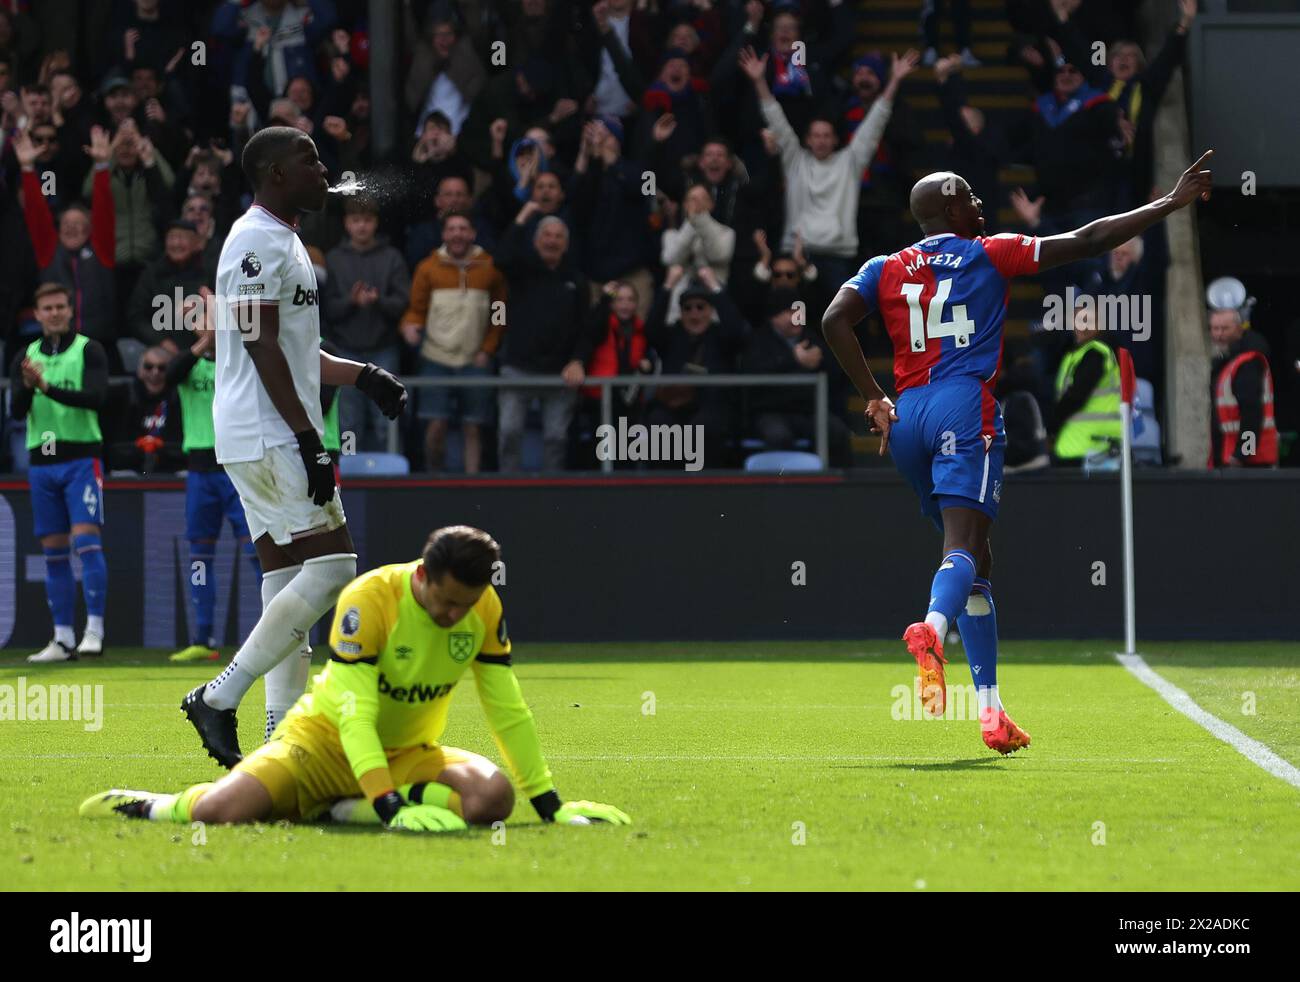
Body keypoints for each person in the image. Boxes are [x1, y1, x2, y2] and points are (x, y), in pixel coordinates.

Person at [821, 150, 1214, 754]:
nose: (981, 204)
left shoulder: (884, 265)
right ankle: (931, 629)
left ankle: (989, 711)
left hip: (907, 417)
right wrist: (1167, 203)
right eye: (972, 197)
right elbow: (1085, 240)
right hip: (962, 407)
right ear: (951, 205)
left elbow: (832, 320)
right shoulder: (989, 251)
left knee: (976, 559)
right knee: (963, 547)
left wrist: (873, 397)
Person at [81, 526, 631, 832]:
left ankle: (349, 809)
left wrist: (549, 802)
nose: (453, 617)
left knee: (493, 798)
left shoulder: (482, 607)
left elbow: (506, 707)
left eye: (465, 606)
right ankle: (150, 804)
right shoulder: (369, 599)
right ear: (422, 576)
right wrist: (391, 806)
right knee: (219, 813)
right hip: (317, 747)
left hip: (407, 751)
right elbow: (354, 714)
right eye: (444, 604)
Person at [181, 127, 408, 769]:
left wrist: (362, 374)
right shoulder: (255, 237)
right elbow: (258, 342)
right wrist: (309, 440)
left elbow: (295, 352)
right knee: (335, 569)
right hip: (269, 431)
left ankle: (280, 743)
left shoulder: (282, 240)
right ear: (277, 174)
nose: (322, 167)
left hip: (262, 430)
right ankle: (219, 697)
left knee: (285, 579)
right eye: (309, 158)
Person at [9, 284, 110, 662]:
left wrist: (46, 386)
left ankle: (95, 631)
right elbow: (17, 412)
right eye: (46, 308)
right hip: (42, 462)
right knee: (53, 550)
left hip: (81, 459)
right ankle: (63, 637)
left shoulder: (90, 349)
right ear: (37, 314)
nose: (53, 313)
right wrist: (27, 386)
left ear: (70, 310)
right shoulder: (25, 355)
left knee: (86, 541)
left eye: (60, 307)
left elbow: (96, 399)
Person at [164, 303, 263, 663]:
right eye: (203, 319)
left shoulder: (240, 361)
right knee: (200, 557)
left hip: (239, 469)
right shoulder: (188, 366)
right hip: (201, 472)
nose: (210, 325)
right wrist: (202, 343)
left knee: (257, 552)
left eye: (215, 317)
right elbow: (166, 378)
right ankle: (202, 638)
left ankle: (274, 632)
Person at [401, 210, 506, 474]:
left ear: (473, 233)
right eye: (452, 229)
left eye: (463, 229)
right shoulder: (427, 268)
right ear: (444, 234)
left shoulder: (490, 268)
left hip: (476, 360)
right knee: (435, 426)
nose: (457, 234)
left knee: (474, 427)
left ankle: (473, 485)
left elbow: (499, 313)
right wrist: (409, 326)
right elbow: (416, 309)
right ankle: (435, 479)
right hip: (436, 358)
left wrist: (488, 349)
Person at [321, 196, 410, 453]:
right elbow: (328, 310)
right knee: (349, 422)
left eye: (367, 220)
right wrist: (352, 301)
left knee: (387, 417)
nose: (362, 226)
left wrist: (377, 301)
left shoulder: (392, 257)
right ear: (347, 224)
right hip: (345, 350)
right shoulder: (334, 259)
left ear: (376, 223)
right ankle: (348, 477)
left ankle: (393, 479)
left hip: (384, 348)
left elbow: (402, 304)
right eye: (356, 220)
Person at [1049, 302, 1120, 466]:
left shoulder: (1096, 353)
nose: (1082, 326)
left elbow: (1075, 396)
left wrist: (1051, 427)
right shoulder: (1077, 353)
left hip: (1090, 449)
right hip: (1080, 445)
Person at [1209, 300, 1277, 469]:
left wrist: (1243, 453)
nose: (1218, 334)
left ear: (1240, 329)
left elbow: (1252, 411)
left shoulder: (1247, 362)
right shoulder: (1228, 362)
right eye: (1214, 329)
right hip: (1232, 456)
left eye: (1225, 329)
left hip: (1249, 462)